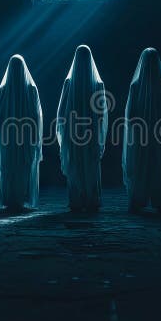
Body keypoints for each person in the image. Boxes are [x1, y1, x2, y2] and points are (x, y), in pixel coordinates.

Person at [122, 48, 161, 215]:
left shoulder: (135, 86)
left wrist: (137, 130)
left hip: (142, 135)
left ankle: (138, 199)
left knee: (141, 166)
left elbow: (130, 114)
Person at [56, 45, 108, 212]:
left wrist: (63, 131)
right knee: (91, 164)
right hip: (91, 131)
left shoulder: (69, 83)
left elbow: (62, 111)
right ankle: (92, 197)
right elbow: (101, 113)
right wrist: (99, 132)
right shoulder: (98, 84)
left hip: (73, 131)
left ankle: (76, 198)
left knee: (75, 164)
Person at [0, 55, 43, 211]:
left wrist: (1, 132)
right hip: (26, 135)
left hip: (8, 136)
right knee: (23, 166)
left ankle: (10, 197)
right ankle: (20, 197)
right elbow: (36, 115)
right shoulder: (31, 89)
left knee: (9, 166)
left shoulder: (3, 90)